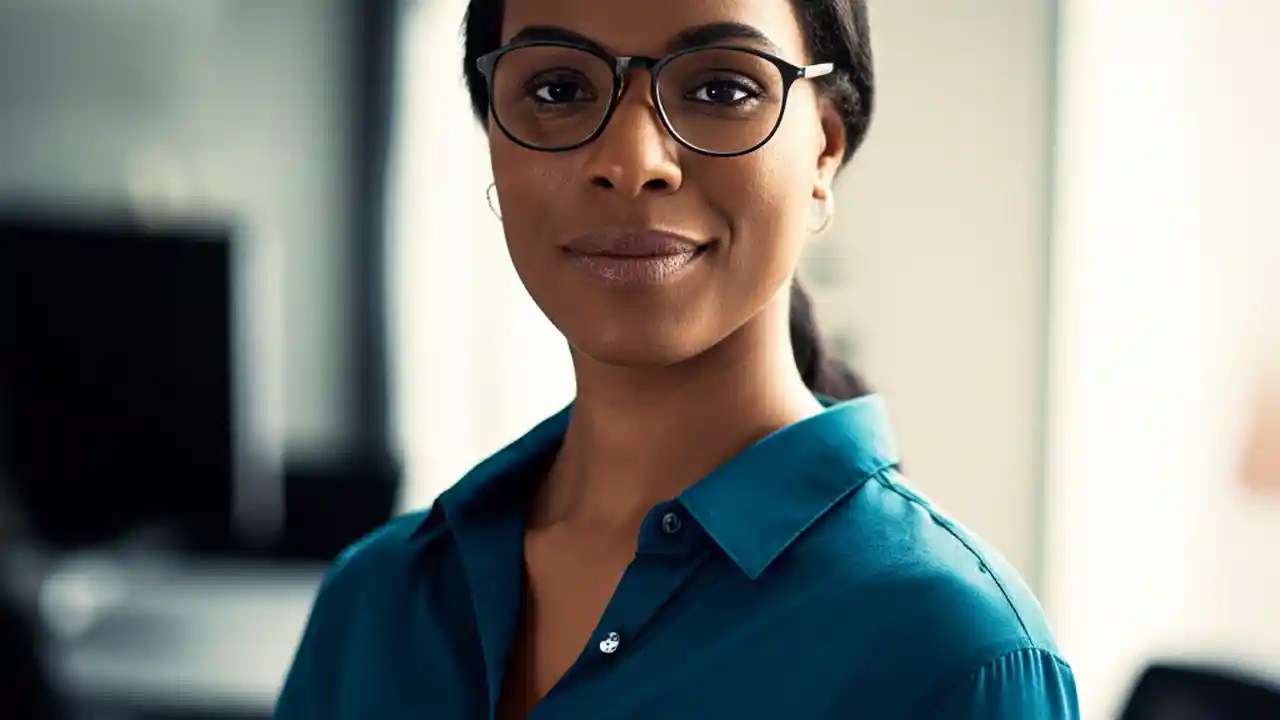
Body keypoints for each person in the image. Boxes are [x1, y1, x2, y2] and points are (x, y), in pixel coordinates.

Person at [276, 0, 1079, 717]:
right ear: (495, 147)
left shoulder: (954, 655)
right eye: (558, 89)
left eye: (721, 88)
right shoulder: (374, 603)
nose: (631, 162)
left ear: (824, 153)